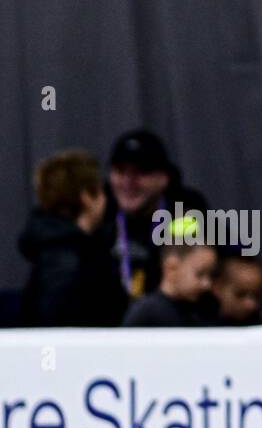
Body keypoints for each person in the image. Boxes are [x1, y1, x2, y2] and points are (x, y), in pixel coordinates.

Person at [17, 149, 127, 327]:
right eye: (100, 191)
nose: (106, 200)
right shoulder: (68, 262)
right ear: (87, 198)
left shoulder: (68, 250)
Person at [103, 129, 209, 298]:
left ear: (163, 178)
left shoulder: (187, 213)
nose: (128, 182)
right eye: (120, 171)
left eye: (140, 173)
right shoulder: (99, 214)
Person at [121, 241, 217, 327]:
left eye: (210, 275)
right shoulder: (146, 313)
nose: (207, 284)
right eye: (200, 274)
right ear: (172, 268)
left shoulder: (199, 312)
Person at [211, 251, 262, 326]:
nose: (250, 305)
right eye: (240, 294)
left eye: (256, 296)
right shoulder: (196, 328)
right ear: (218, 288)